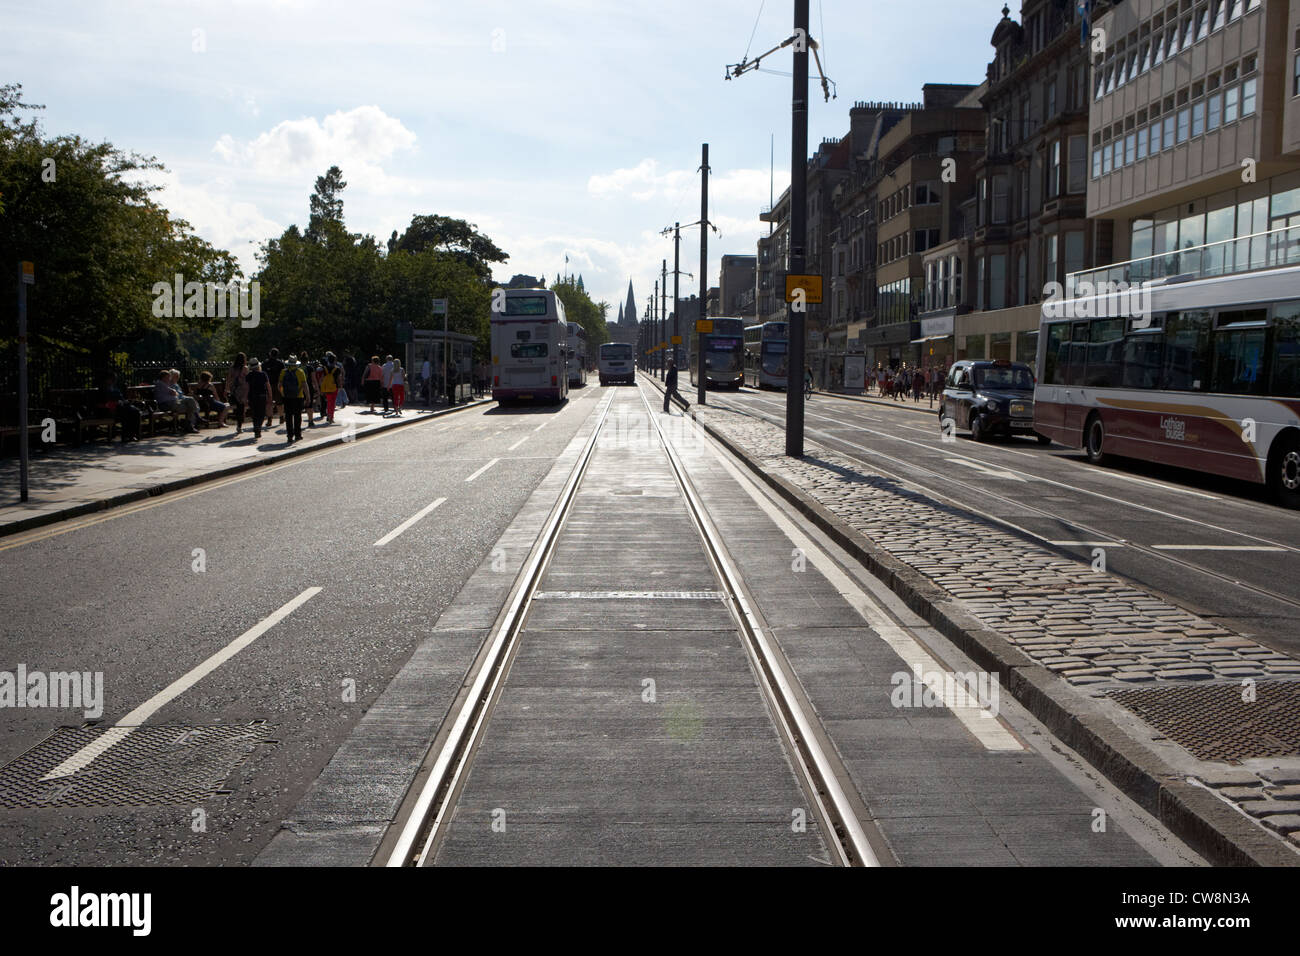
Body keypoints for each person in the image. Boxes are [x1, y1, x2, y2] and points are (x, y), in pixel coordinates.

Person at [97, 372, 141, 443]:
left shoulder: (115, 387)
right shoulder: (103, 388)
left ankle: (133, 434)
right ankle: (126, 435)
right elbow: (102, 402)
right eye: (112, 379)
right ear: (107, 379)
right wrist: (115, 403)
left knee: (136, 412)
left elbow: (121, 397)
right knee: (126, 413)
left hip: (119, 406)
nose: (113, 381)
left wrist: (123, 401)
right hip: (109, 409)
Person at [279, 355, 308, 443]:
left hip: (287, 397)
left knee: (288, 416)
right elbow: (304, 385)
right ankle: (298, 435)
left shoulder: (283, 372)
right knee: (297, 416)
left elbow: (279, 386)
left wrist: (283, 394)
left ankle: (289, 436)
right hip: (298, 397)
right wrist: (308, 397)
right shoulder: (300, 372)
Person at [245, 358, 272, 441]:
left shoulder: (249, 375)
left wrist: (245, 397)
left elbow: (246, 387)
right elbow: (268, 386)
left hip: (252, 396)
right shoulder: (263, 374)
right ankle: (258, 428)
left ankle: (256, 427)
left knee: (254, 413)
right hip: (262, 395)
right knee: (261, 413)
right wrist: (270, 396)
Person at [226, 352, 250, 434]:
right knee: (241, 408)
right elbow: (247, 381)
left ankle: (238, 424)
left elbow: (228, 379)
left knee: (237, 408)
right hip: (242, 390)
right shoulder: (245, 368)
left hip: (234, 389)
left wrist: (226, 389)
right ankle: (239, 426)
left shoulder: (232, 368)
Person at [264, 348, 284, 428]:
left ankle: (269, 419)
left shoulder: (265, 363)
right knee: (280, 402)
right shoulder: (280, 363)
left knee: (269, 402)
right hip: (278, 384)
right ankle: (281, 417)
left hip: (268, 384)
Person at [320, 352, 341, 424]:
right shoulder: (337, 369)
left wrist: (321, 387)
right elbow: (338, 379)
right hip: (334, 387)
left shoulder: (324, 368)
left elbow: (322, 378)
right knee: (333, 403)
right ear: (335, 360)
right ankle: (331, 417)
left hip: (326, 387)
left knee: (329, 402)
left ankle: (328, 416)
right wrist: (340, 386)